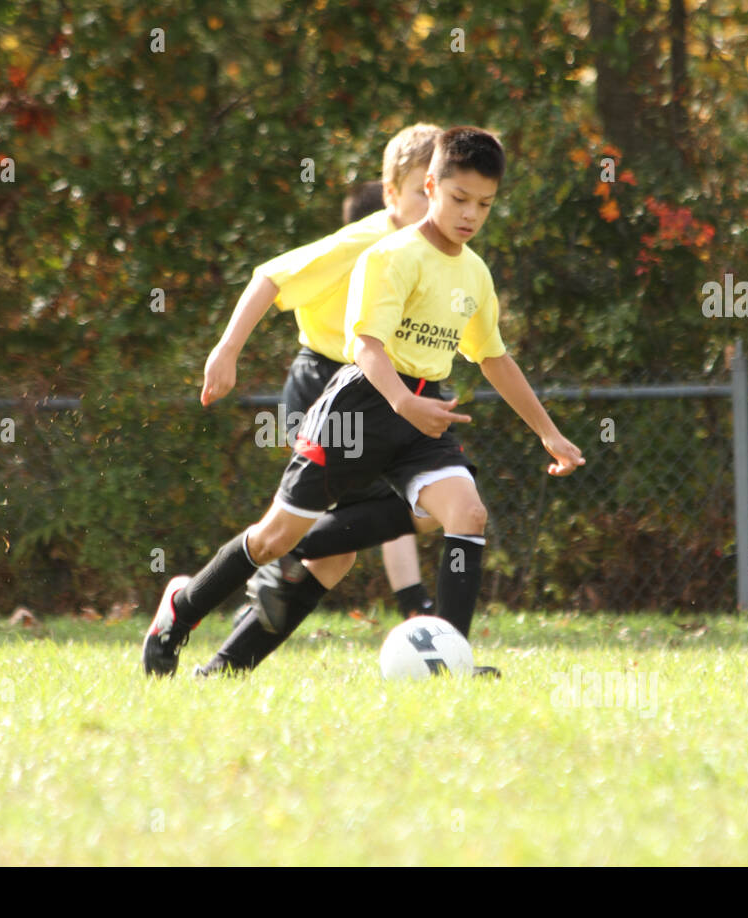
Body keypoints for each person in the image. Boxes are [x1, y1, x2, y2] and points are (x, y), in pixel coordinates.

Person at [146, 127, 585, 678]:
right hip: (361, 405)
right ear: (429, 186)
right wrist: (403, 404)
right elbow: (365, 348)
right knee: (279, 537)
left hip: (422, 407)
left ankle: (454, 663)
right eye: (458, 199)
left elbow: (494, 357)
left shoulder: (474, 271)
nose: (471, 214)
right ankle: (180, 615)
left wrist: (548, 432)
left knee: (466, 512)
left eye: (485, 204)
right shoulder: (388, 254)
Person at [193, 126, 443, 676]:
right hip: (324, 387)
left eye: (440, 189)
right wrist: (227, 350)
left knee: (415, 516)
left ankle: (220, 636)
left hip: (376, 391)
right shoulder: (363, 242)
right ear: (391, 190)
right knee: (334, 544)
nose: (436, 203)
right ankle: (231, 598)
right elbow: (268, 277)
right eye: (422, 191)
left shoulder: (439, 251)